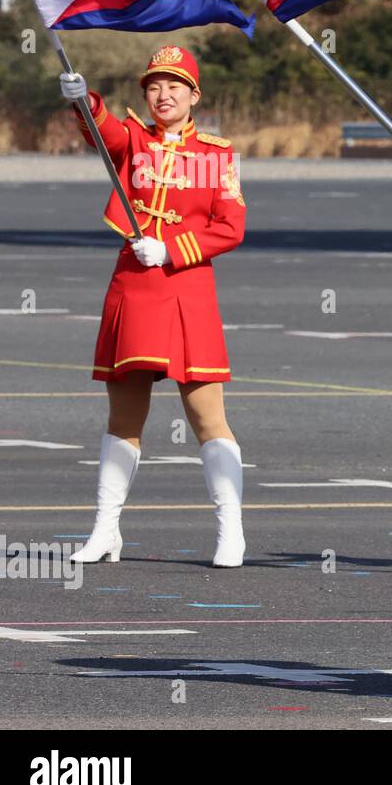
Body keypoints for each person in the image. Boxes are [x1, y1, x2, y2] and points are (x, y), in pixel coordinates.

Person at [60, 45, 248, 568]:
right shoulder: (133, 139)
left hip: (188, 289)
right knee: (124, 416)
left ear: (195, 94)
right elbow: (102, 131)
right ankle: (105, 530)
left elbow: (231, 227)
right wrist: (83, 100)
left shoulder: (217, 154)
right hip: (135, 288)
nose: (163, 95)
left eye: (174, 85)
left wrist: (173, 249)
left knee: (207, 415)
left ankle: (230, 530)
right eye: (153, 86)